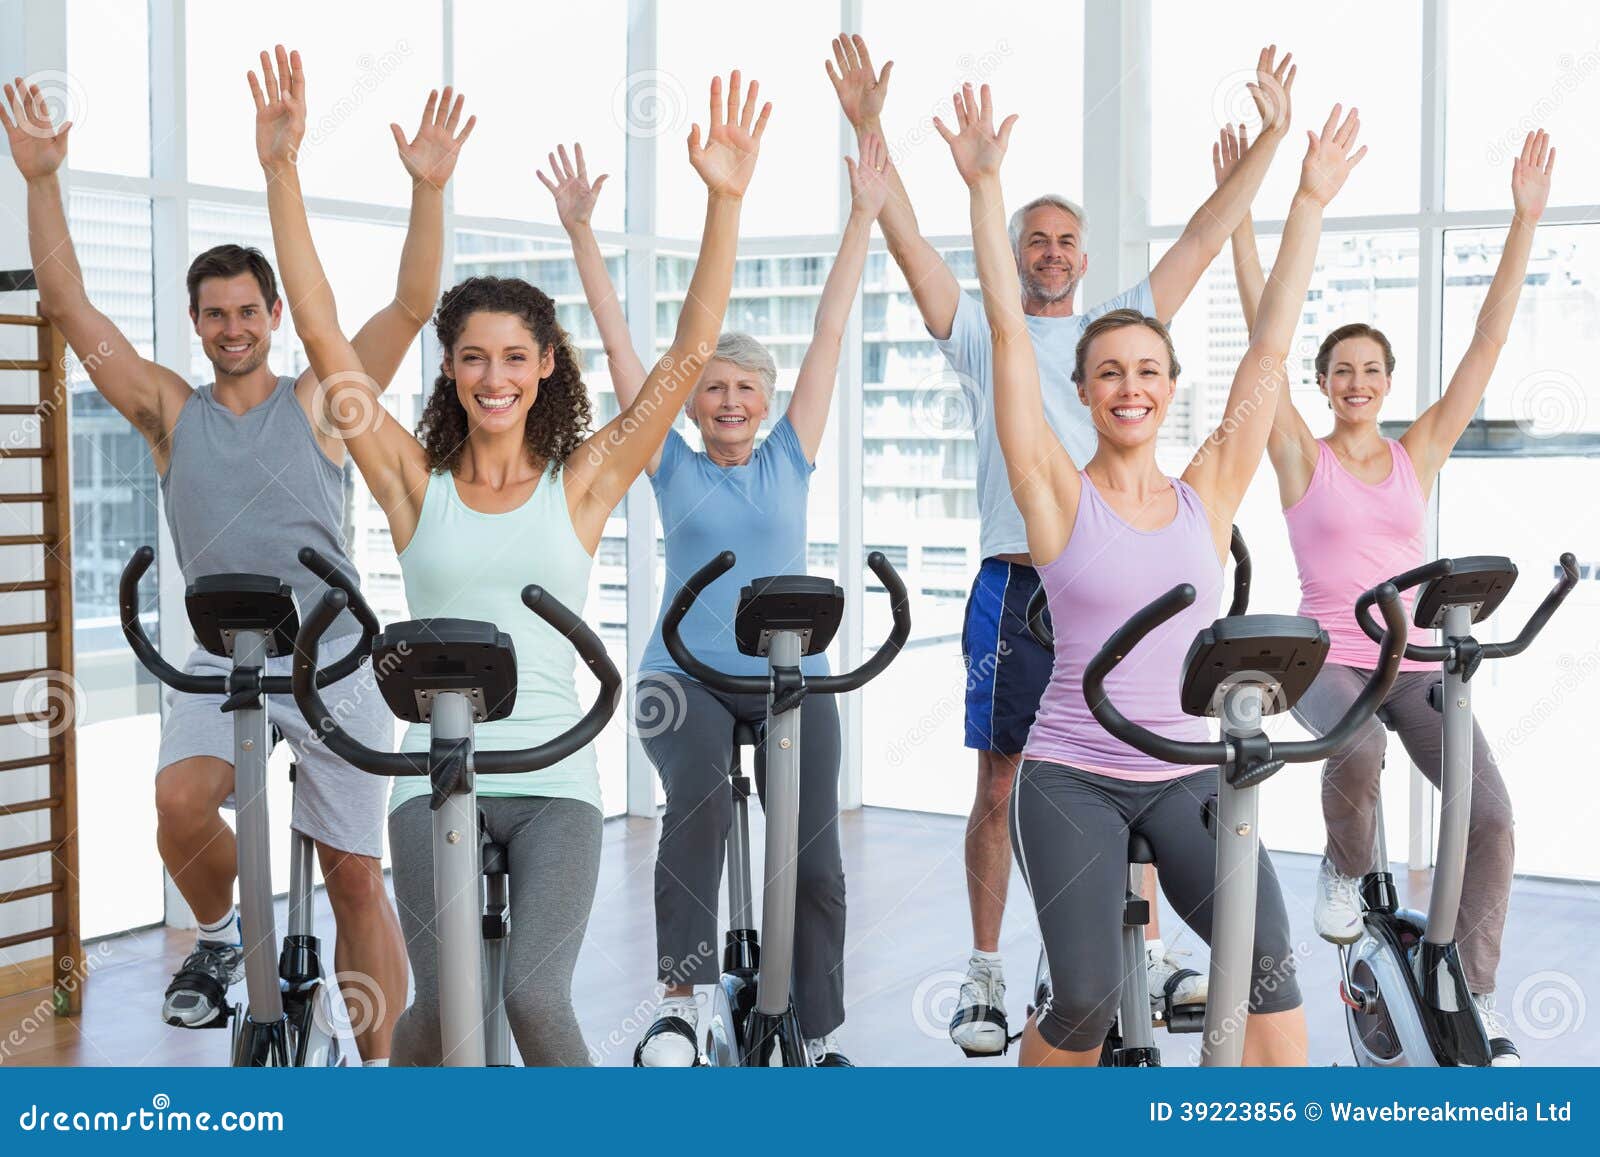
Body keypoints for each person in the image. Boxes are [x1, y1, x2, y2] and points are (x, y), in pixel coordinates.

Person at [255, 45, 766, 1064]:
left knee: (533, 997)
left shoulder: (583, 482)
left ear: (544, 369)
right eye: (476, 356)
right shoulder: (411, 482)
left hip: (554, 774)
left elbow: (684, 355)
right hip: (432, 778)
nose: (496, 376)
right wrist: (283, 169)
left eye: (516, 357)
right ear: (451, 368)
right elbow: (320, 331)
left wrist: (724, 202)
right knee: (438, 1010)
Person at [827, 32, 1296, 1053]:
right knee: (1005, 777)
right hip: (1020, 578)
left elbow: (1213, 235)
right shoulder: (982, 331)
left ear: (1085, 260)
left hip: (1131, 578)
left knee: (1154, 751)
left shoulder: (1120, 331)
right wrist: (874, 127)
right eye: (1030, 237)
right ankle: (992, 966)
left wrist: (1271, 148)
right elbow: (907, 236)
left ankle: (1162, 947)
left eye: (1062, 239)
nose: (1046, 250)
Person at [1, 64, 476, 1063]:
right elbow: (72, 306)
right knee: (178, 802)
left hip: (337, 660)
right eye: (213, 315)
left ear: (271, 313)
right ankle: (220, 938)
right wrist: (41, 180)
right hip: (221, 661)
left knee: (354, 871)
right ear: (197, 324)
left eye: (247, 312)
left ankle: (381, 1070)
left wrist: (426, 188)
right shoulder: (172, 413)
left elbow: (410, 300)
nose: (231, 328)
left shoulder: (324, 402)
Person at [945, 75, 1365, 1064]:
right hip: (1073, 775)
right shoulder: (1054, 494)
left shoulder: (1206, 489)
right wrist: (982, 188)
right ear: (1083, 393)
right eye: (1108, 373)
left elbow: (1269, 344)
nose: (1129, 387)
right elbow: (1009, 334)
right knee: (1084, 997)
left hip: (1184, 769)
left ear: (1169, 387)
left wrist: (1304, 200)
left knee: (1266, 974)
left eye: (1147, 371)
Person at [539, 131, 890, 1066]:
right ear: (690, 405)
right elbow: (618, 344)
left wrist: (862, 213)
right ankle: (682, 1003)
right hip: (681, 676)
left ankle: (811, 1030)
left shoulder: (790, 454)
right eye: (713, 389)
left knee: (813, 858)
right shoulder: (669, 462)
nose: (729, 401)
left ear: (769, 401)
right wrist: (580, 233)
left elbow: (830, 325)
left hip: (793, 679)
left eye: (745, 388)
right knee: (695, 807)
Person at [1220, 120, 1555, 1065]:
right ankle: (1349, 873)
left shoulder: (1419, 457)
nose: (1357, 382)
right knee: (1354, 743)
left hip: (1414, 663)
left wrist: (1524, 220)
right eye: (1342, 371)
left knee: (1490, 816)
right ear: (1323, 384)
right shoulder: (1300, 456)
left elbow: (1487, 344)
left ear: (1388, 382)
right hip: (1331, 658)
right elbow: (1261, 342)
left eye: (1372, 370)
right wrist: (1247, 217)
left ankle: (1469, 992)